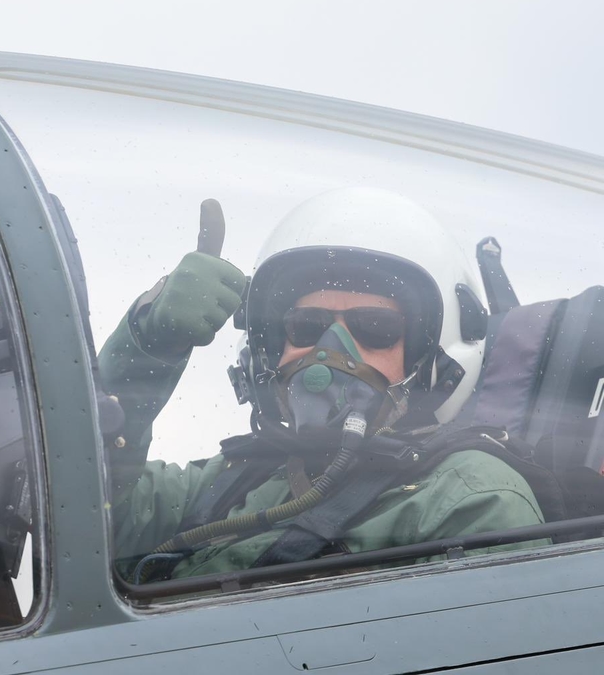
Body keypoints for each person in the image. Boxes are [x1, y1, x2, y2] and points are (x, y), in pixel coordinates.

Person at [99, 188, 547, 584]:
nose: (329, 351)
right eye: (305, 324)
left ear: (431, 360)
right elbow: (87, 509)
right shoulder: (236, 480)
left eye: (375, 327)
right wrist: (147, 349)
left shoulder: (469, 501)